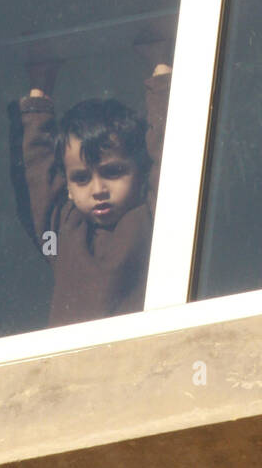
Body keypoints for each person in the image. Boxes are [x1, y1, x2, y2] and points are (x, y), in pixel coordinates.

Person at [10, 61, 171, 328]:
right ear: (68, 187)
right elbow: (37, 176)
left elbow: (170, 150)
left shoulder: (154, 218)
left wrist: (162, 71)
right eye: (81, 178)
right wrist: (39, 89)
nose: (98, 190)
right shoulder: (58, 238)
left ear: (141, 173)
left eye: (113, 172)